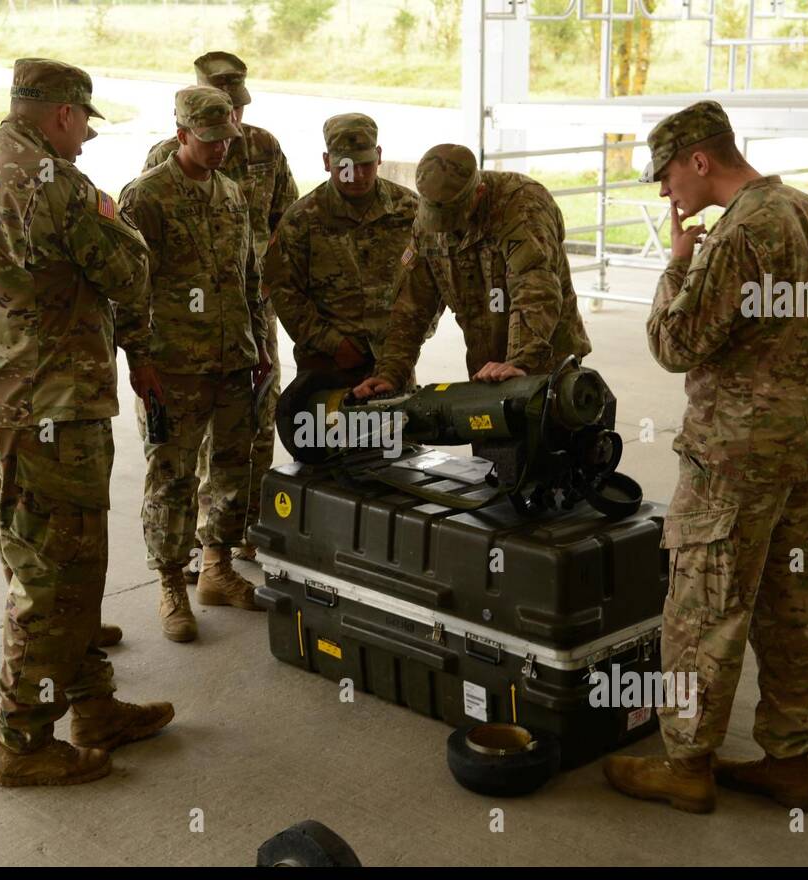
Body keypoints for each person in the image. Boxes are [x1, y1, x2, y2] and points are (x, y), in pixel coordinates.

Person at [602, 101, 808, 814]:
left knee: (704, 606)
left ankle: (687, 762)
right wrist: (806, 405)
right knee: (790, 606)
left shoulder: (740, 234)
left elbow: (674, 344)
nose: (665, 194)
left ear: (699, 160)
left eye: (666, 177)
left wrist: (678, 264)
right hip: (807, 452)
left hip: (732, 463)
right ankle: (789, 758)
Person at [0, 58, 174, 788]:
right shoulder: (58, 184)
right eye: (82, 122)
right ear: (60, 115)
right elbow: (129, 272)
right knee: (56, 581)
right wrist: (116, 221)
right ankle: (22, 740)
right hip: (52, 409)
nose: (84, 138)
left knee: (58, 567)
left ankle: (93, 704)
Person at [119, 85, 271, 644]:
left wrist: (259, 347)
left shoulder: (232, 194)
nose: (219, 149)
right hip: (174, 367)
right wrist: (140, 358)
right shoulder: (146, 198)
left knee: (232, 471)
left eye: (226, 138)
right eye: (208, 140)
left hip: (233, 361)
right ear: (181, 134)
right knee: (173, 478)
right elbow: (128, 287)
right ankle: (170, 585)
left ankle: (216, 569)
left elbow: (248, 278)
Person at [142, 52, 299, 565]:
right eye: (217, 120)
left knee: (250, 429)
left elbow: (285, 222)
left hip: (247, 314)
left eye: (234, 114)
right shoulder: (159, 168)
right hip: (183, 334)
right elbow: (143, 261)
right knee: (181, 451)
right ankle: (182, 553)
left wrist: (267, 292)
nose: (227, 133)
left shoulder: (262, 149)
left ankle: (236, 534)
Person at [353, 143, 591, 400]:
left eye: (454, 218)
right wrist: (391, 373)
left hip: (546, 366)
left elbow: (535, 289)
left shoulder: (521, 206)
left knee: (547, 436)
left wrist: (521, 360)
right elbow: (413, 306)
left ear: (478, 193)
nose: (445, 230)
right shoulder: (427, 224)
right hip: (486, 372)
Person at [262, 112, 421, 381]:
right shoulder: (302, 219)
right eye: (345, 167)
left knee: (393, 424)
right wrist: (333, 344)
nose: (356, 175)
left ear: (379, 156)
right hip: (327, 366)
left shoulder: (409, 210)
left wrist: (406, 339)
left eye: (365, 165)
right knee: (330, 425)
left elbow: (429, 281)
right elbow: (285, 293)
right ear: (327, 162)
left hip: (394, 362)